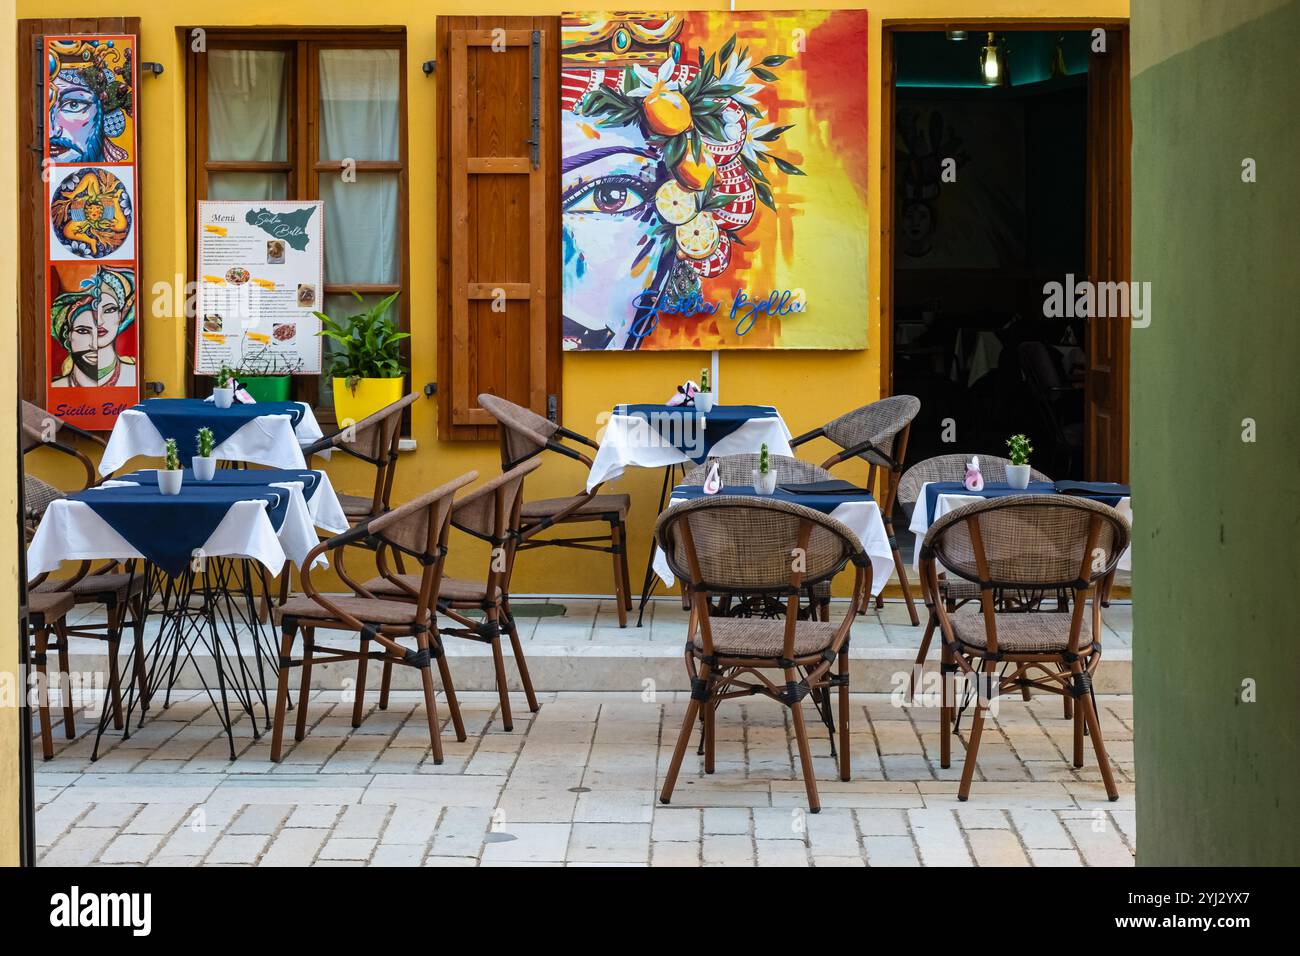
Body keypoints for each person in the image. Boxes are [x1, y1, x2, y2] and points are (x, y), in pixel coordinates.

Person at [50, 266, 137, 388]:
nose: (99, 321)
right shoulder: (56, 387)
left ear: (121, 314)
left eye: (109, 310)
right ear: (68, 335)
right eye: (83, 330)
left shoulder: (134, 377)